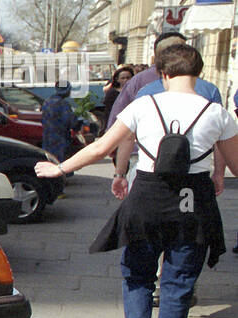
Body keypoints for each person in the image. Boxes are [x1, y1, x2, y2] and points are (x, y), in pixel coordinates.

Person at [36, 43, 238, 318]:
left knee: (137, 276)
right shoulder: (217, 112)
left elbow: (101, 146)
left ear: (163, 74)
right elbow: (236, 165)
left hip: (147, 199)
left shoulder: (145, 105)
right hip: (194, 205)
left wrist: (60, 168)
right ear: (199, 73)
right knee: (178, 287)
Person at [107, 34, 222, 198]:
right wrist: (219, 173)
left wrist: (119, 172)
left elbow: (126, 134)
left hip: (148, 166)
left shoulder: (143, 87)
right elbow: (220, 141)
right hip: (195, 171)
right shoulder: (210, 91)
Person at [40, 80, 85, 160]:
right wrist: (79, 123)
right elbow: (72, 123)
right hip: (61, 140)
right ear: (67, 91)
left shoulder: (47, 102)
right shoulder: (64, 104)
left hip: (47, 139)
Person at [99, 65, 135, 133]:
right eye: (123, 78)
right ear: (117, 79)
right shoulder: (112, 93)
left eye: (128, 78)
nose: (126, 80)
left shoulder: (136, 92)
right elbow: (108, 111)